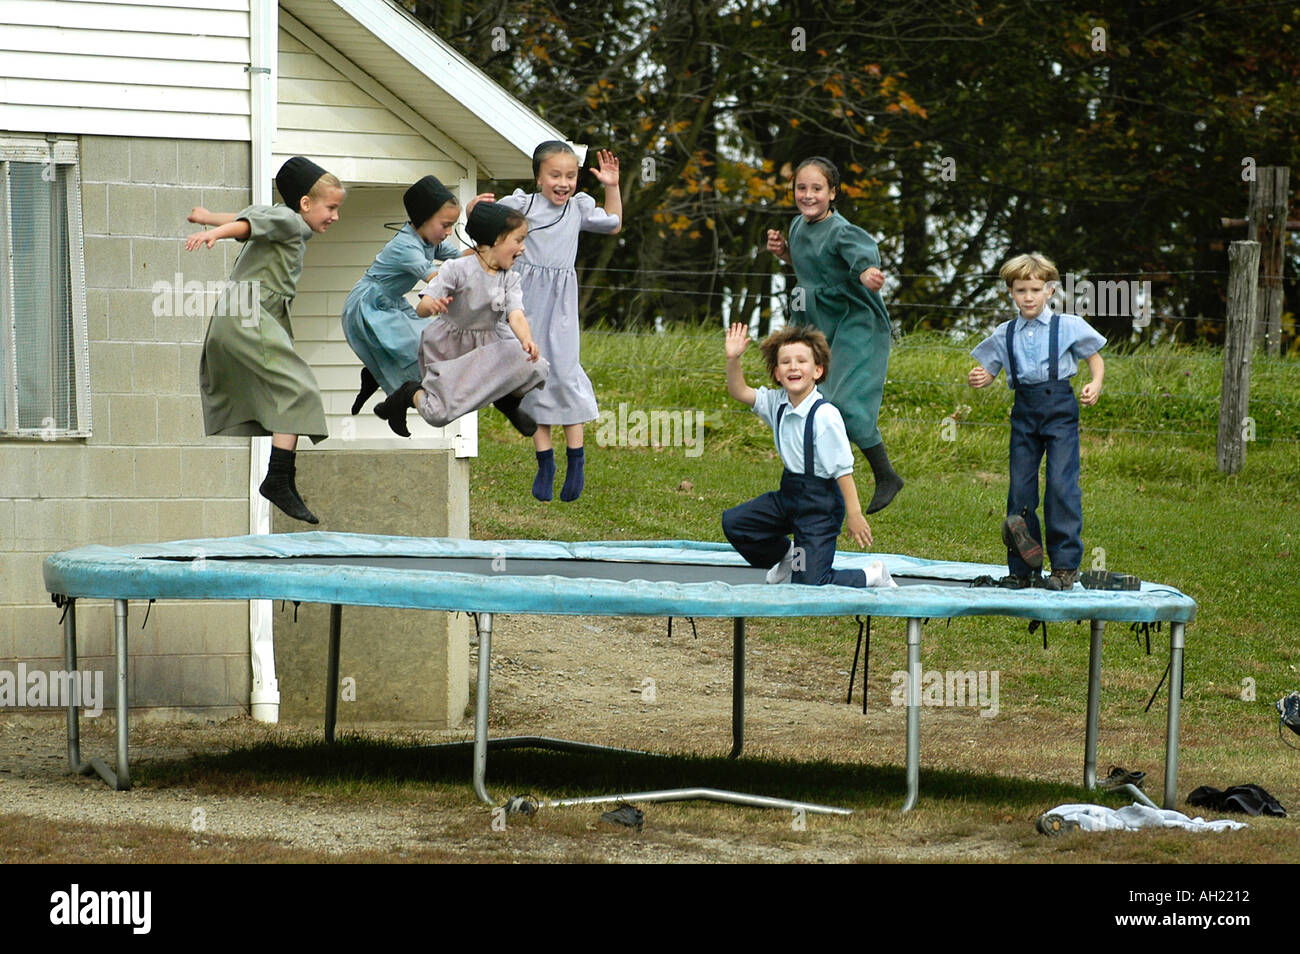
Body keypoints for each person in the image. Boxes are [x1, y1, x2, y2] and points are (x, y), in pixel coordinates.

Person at [185, 156, 345, 524]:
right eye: (331, 207)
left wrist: (209, 218)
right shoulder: (288, 220)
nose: (335, 216)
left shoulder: (279, 219)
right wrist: (214, 234)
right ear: (305, 204)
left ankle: (282, 477)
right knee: (298, 388)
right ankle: (277, 479)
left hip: (249, 316)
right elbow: (242, 227)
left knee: (289, 391)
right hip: (248, 316)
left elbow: (244, 220)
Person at [765, 156, 902, 514]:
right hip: (814, 321)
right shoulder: (797, 226)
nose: (808, 195)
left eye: (816, 188)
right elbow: (812, 264)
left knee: (845, 405)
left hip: (855, 321)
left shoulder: (842, 230)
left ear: (832, 193)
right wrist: (784, 254)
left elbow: (862, 258)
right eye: (801, 188)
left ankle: (885, 474)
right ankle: (816, 483)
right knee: (812, 401)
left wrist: (868, 274)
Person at [968, 252, 1106, 590]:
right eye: (1020, 291)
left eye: (1034, 289)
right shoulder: (1005, 332)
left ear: (1049, 291)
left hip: (1060, 409)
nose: (1027, 297)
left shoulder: (1068, 325)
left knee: (1061, 485)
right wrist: (983, 376)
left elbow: (1095, 357)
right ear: (1011, 293)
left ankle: (1064, 568)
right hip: (1024, 413)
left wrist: (1095, 383)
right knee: (1020, 492)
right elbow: (991, 367)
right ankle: (1023, 569)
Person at [496, 142, 622, 502]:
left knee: (565, 373)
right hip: (526, 302)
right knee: (531, 374)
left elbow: (613, 224)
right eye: (555, 175)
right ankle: (545, 461)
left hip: (561, 304)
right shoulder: (524, 207)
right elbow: (486, 221)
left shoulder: (578, 209)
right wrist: (475, 206)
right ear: (538, 177)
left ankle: (576, 460)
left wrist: (611, 185)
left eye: (570, 175)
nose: (563, 183)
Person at [373, 202, 547, 436]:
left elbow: (516, 313)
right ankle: (408, 393)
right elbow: (422, 308)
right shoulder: (457, 269)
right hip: (452, 348)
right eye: (518, 240)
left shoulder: (509, 278)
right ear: (496, 240)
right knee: (437, 414)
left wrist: (526, 339)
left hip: (491, 342)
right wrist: (431, 305)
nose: (523, 248)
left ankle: (508, 402)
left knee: (536, 367)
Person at [721, 322, 874, 587]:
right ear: (777, 373)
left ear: (817, 370)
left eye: (802, 361)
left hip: (820, 506)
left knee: (810, 583)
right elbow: (739, 391)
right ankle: (788, 555)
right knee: (736, 523)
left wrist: (855, 514)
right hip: (789, 495)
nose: (793, 366)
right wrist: (733, 359)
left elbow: (843, 470)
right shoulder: (776, 402)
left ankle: (872, 575)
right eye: (785, 362)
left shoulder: (825, 416)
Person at [341, 175, 489, 420]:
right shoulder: (406, 247)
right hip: (368, 303)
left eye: (452, 225)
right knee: (415, 347)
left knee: (427, 341)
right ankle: (396, 395)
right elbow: (436, 277)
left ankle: (378, 381)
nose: (449, 232)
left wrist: (488, 248)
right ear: (422, 218)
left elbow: (460, 258)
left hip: (389, 302)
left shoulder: (429, 239)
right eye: (445, 225)